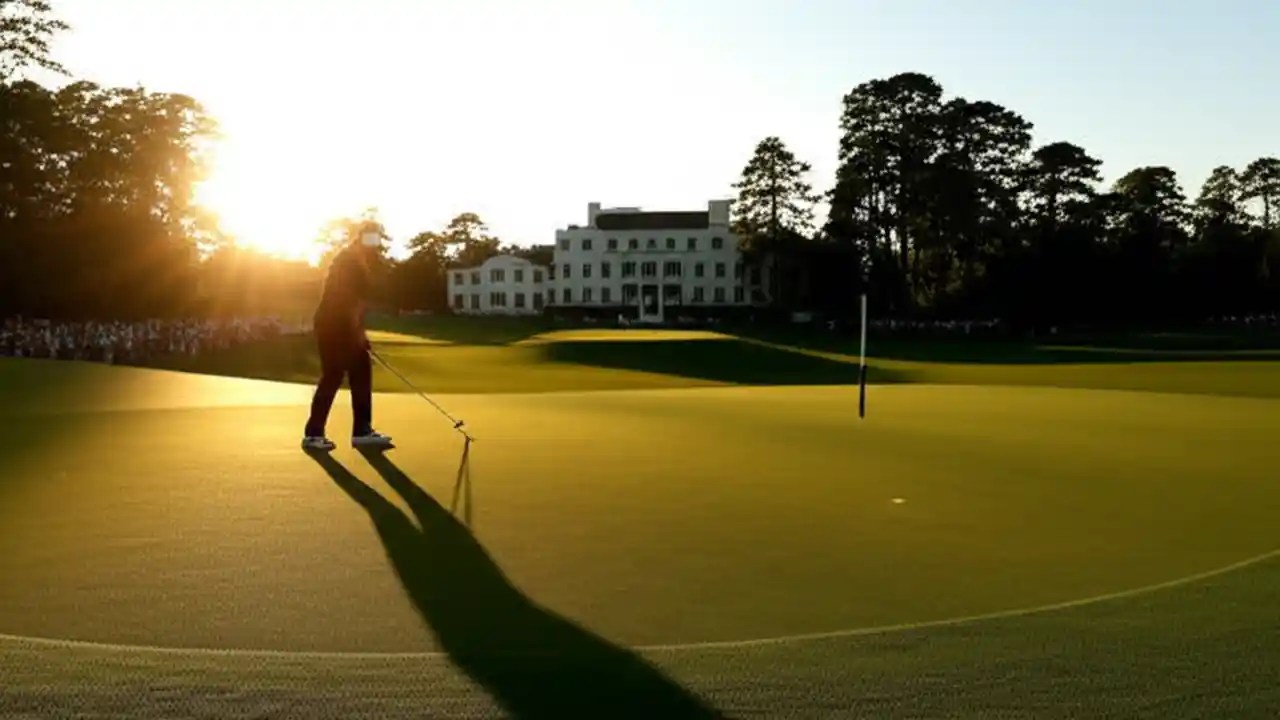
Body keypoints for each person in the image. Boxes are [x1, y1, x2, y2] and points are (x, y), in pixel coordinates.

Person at [302, 226, 394, 451]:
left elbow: (359, 304)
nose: (374, 246)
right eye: (370, 240)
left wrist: (359, 333)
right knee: (333, 374)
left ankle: (362, 431)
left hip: (341, 324)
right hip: (332, 324)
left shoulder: (359, 261)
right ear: (360, 239)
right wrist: (355, 332)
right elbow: (347, 299)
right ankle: (313, 434)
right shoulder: (350, 261)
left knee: (361, 369)